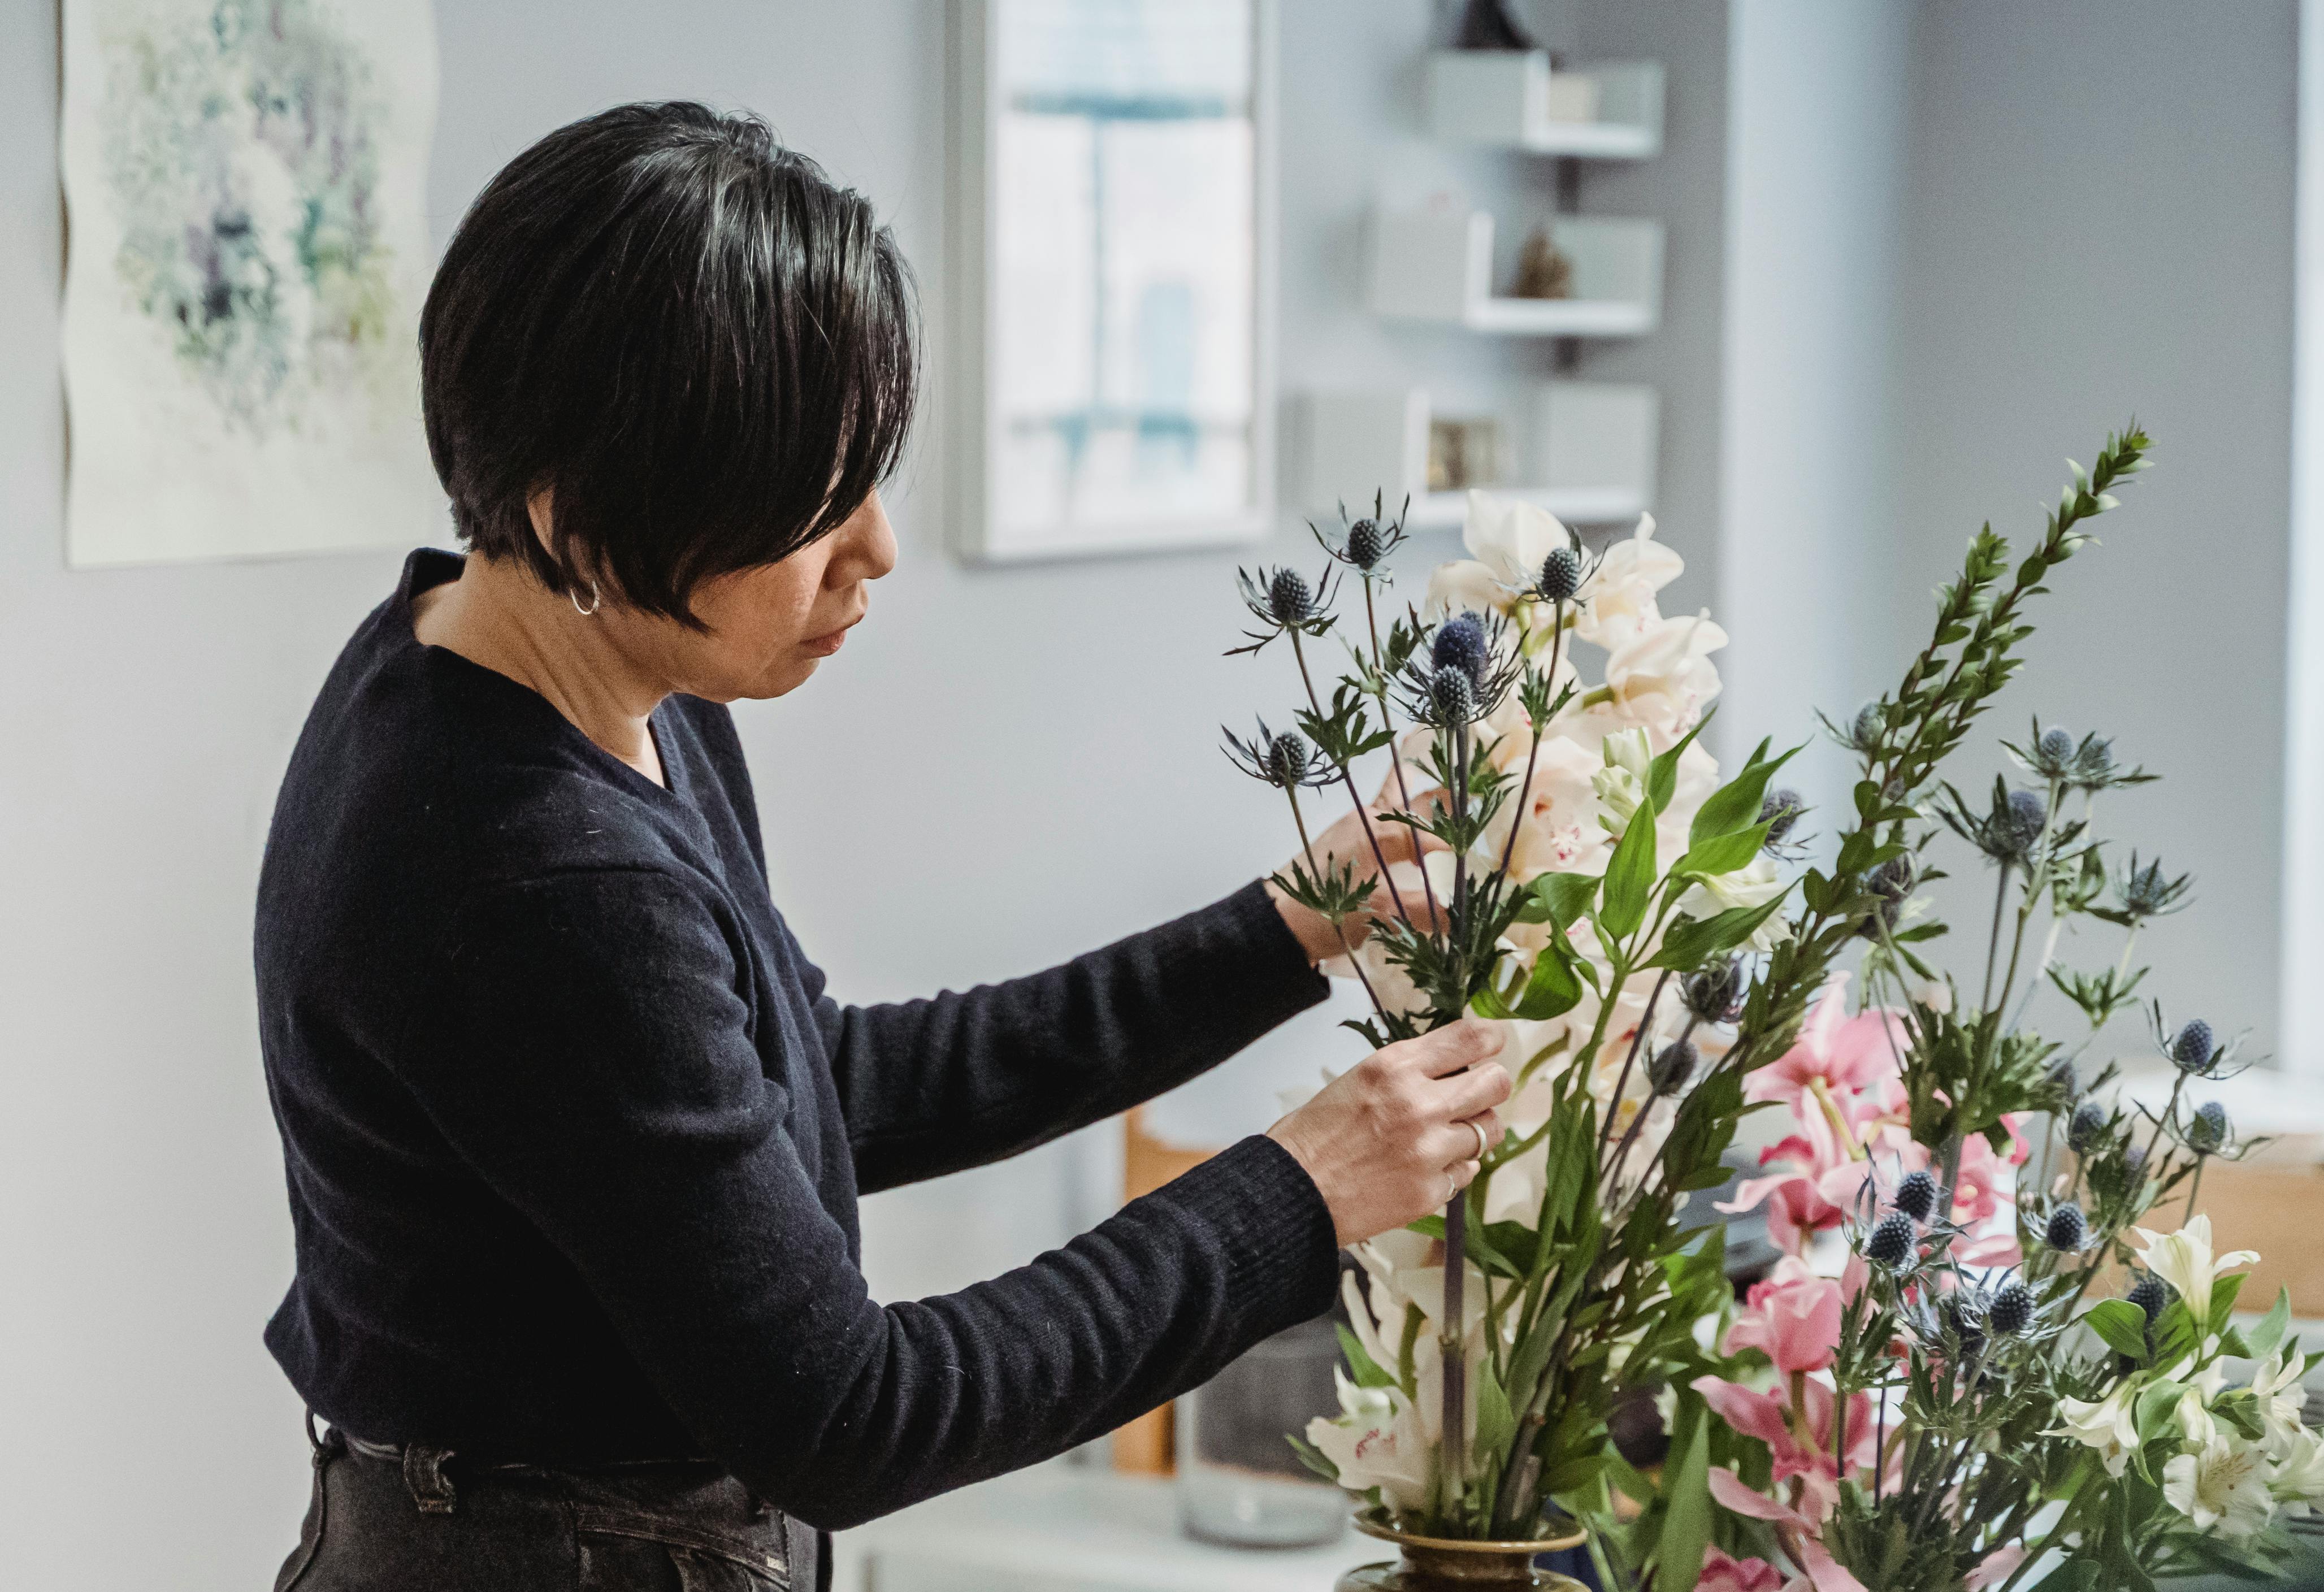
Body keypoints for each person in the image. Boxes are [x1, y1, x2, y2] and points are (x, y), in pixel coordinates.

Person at [254, 102, 1510, 1591]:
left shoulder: (533, 665)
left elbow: (809, 1080)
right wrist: (1300, 1190)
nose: (876, 550)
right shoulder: (538, 872)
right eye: (807, 501)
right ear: (581, 521)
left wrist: (1284, 927)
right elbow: (851, 1413)